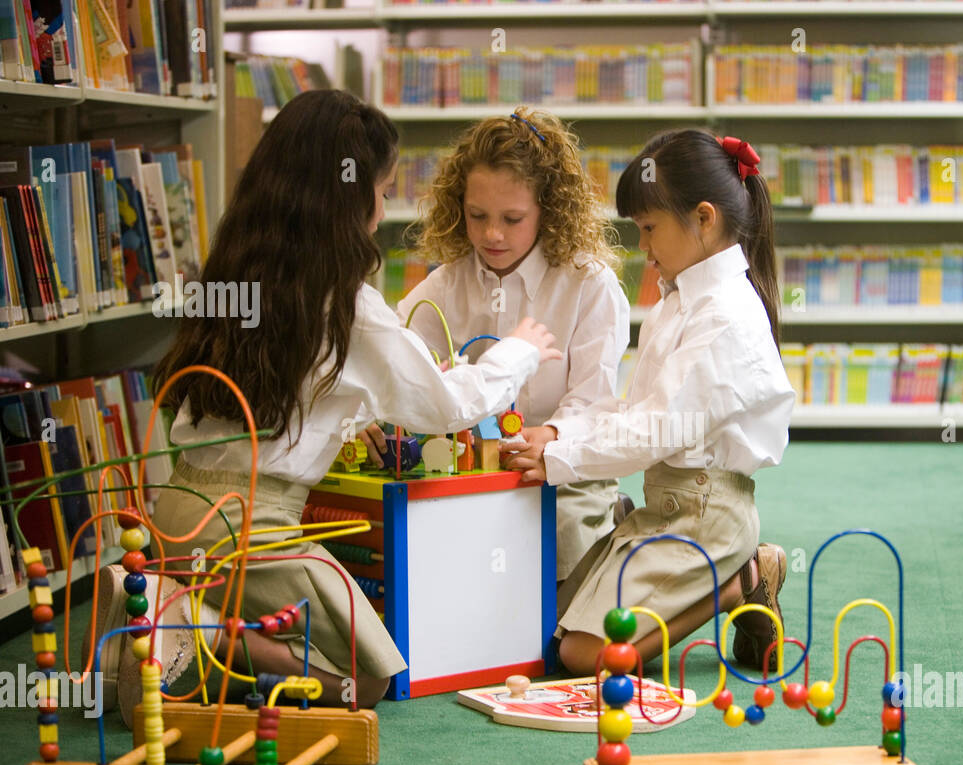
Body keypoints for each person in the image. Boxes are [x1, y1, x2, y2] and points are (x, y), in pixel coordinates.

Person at [102, 90, 560, 722]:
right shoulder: (349, 305)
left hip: (182, 508)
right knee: (365, 682)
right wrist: (516, 353)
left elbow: (297, 389)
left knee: (323, 648)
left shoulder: (241, 268)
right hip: (251, 528)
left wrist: (356, 409)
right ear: (352, 196)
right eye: (380, 186)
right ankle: (193, 628)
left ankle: (174, 617)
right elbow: (449, 405)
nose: (381, 202)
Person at [506, 130, 795, 674]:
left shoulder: (725, 314)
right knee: (550, 631)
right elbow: (636, 410)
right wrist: (560, 436)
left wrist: (557, 461)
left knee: (586, 654)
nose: (643, 248)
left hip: (707, 517)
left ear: (704, 219)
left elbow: (656, 431)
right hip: (665, 508)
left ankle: (740, 579)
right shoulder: (676, 300)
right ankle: (719, 573)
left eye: (649, 229)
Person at [391, 106, 630, 582]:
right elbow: (397, 364)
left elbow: (593, 398)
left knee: (558, 606)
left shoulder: (590, 285)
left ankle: (613, 517)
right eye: (477, 215)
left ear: (550, 209)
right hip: (468, 474)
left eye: (512, 218)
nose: (491, 234)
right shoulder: (445, 285)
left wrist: (553, 437)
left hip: (563, 474)